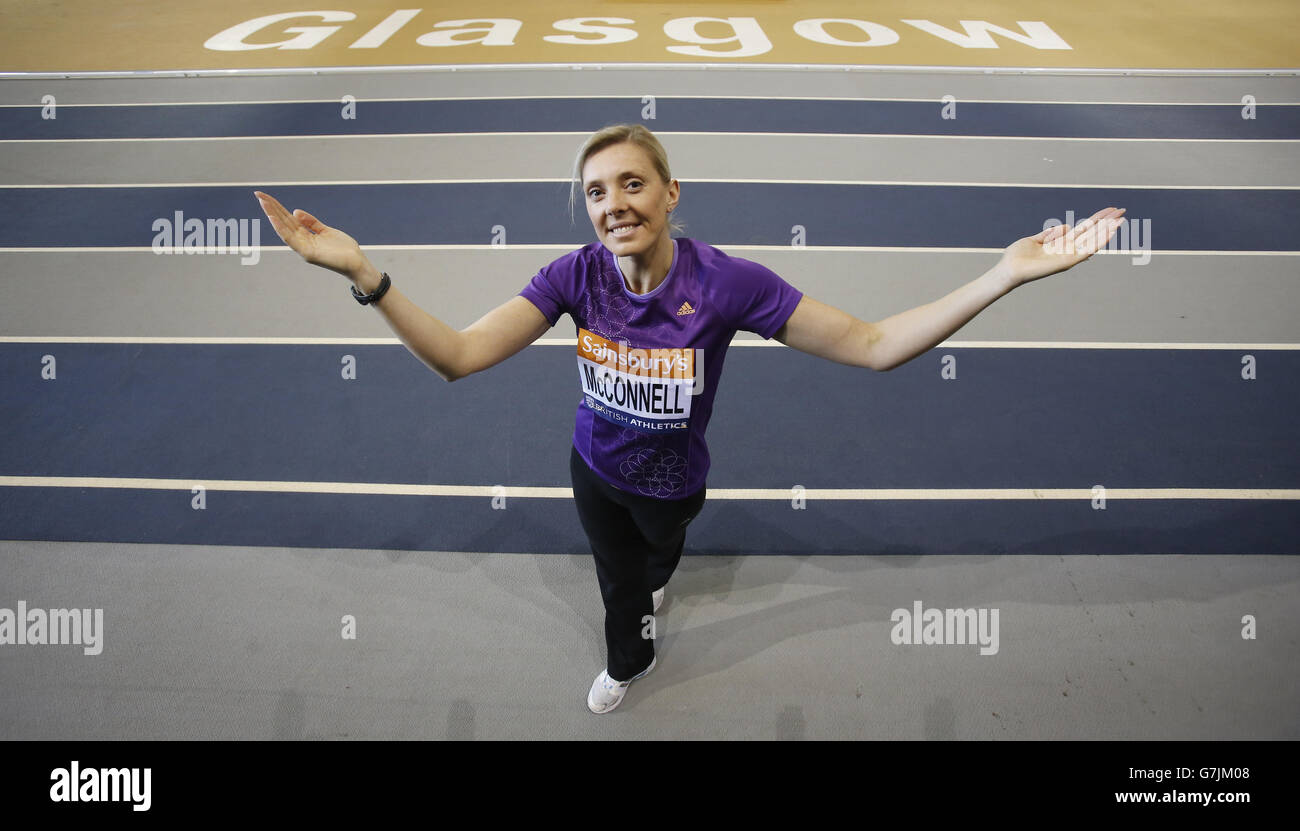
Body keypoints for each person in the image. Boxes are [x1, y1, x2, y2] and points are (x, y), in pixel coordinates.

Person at [254, 123, 1124, 715]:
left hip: (677, 483)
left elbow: (871, 342)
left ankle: (663, 565)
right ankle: (631, 659)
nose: (613, 203)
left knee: (663, 549)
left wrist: (1002, 274)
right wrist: (360, 270)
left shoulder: (729, 285)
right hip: (593, 471)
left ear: (671, 193)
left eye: (632, 184)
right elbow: (457, 356)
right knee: (621, 588)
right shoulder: (572, 278)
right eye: (596, 192)